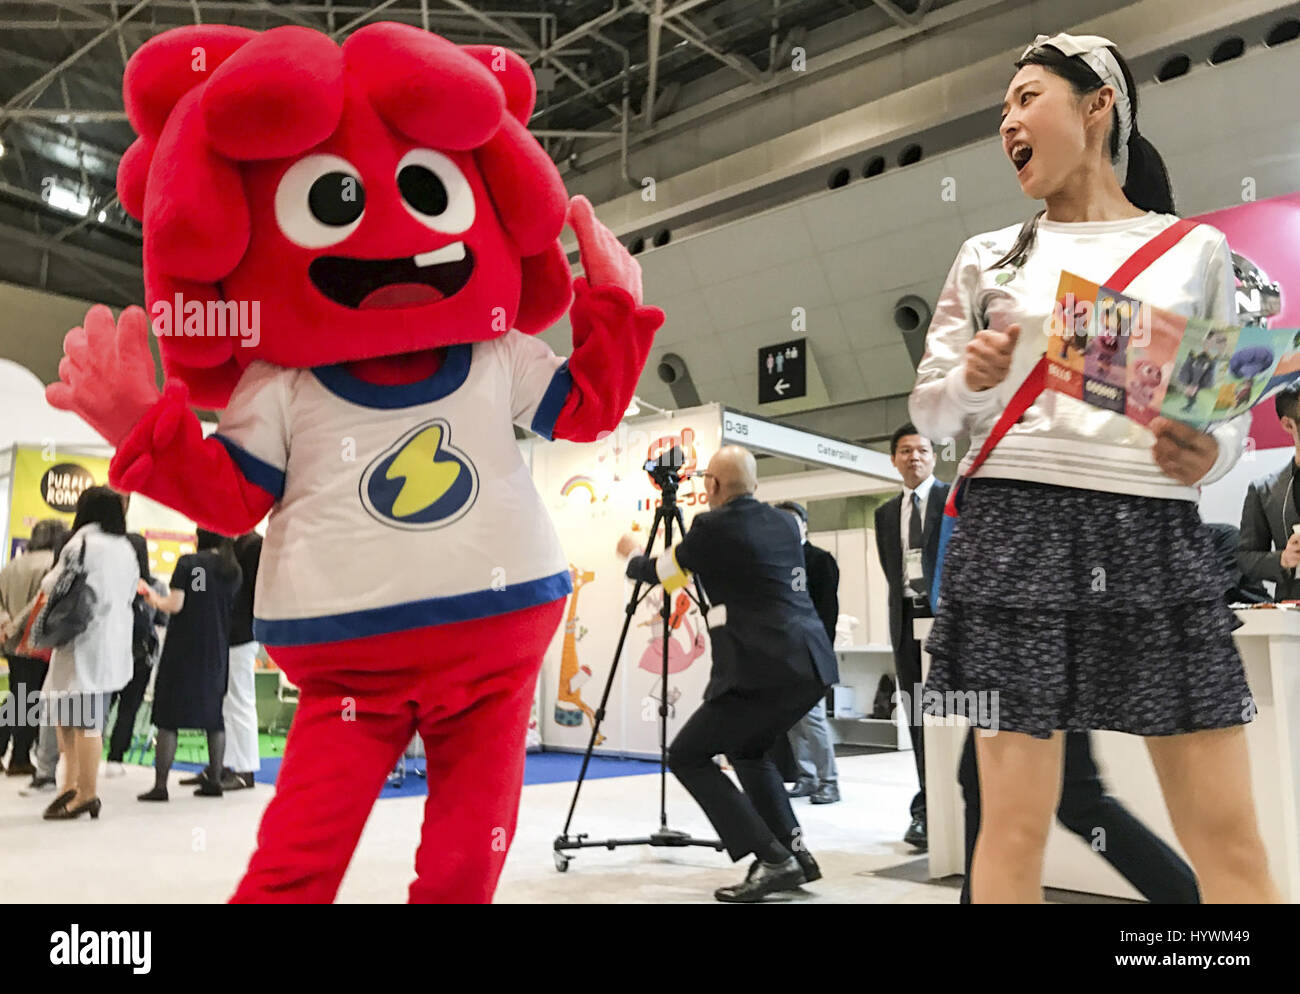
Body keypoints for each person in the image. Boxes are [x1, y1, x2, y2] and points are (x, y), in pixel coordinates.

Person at [909, 32, 1280, 902]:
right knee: (1008, 830)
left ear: (1098, 104)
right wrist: (970, 377)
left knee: (1229, 837)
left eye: (1026, 97)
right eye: (1004, 108)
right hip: (1008, 547)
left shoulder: (1195, 251)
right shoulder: (988, 255)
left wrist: (1208, 450)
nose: (1008, 121)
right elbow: (929, 414)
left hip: (1154, 538)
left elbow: (1225, 421)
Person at [616, 445, 839, 903]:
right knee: (748, 750)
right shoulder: (783, 522)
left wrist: (631, 554)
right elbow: (714, 570)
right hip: (810, 664)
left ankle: (773, 858)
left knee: (687, 755)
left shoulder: (711, 526)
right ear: (755, 485)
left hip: (760, 669)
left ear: (711, 486)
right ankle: (795, 854)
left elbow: (659, 572)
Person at [39, 487, 139, 821]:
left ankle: (84, 793)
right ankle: (73, 789)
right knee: (84, 719)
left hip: (80, 638)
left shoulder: (80, 543)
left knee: (77, 720)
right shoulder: (126, 548)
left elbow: (51, 585)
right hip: (110, 641)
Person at [872, 424, 948, 851]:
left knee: (954, 713)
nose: (913, 457)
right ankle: (927, 809)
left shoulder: (953, 499)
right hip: (906, 624)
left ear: (934, 456)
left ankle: (952, 805)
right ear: (893, 459)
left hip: (946, 623)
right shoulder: (885, 514)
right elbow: (892, 571)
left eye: (921, 450)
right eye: (904, 451)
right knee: (918, 716)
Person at [137, 529, 242, 801]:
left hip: (184, 649)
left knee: (168, 717)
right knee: (213, 718)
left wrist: (152, 598)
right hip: (217, 651)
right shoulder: (233, 569)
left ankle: (160, 786)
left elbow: (177, 604)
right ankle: (215, 781)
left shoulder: (191, 564)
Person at [773, 500, 841, 805]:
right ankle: (807, 776)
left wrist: (821, 651)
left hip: (811, 651)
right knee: (791, 718)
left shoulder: (819, 560)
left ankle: (830, 780)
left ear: (804, 526)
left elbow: (828, 611)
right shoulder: (773, 560)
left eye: (791, 522)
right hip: (782, 651)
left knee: (813, 718)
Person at [0, 519, 69, 777]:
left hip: (9, 642)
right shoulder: (53, 566)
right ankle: (19, 757)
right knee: (32, 700)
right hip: (37, 642)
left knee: (19, 696)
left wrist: (6, 623)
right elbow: (40, 603)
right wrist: (18, 625)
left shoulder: (12, 565)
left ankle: (5, 748)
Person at [104, 534, 167, 775]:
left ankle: (88, 753)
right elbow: (162, 619)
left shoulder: (110, 580)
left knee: (103, 704)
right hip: (141, 656)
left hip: (110, 652)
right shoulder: (154, 585)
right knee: (129, 709)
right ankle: (115, 759)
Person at [1238, 383, 1300, 601]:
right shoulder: (1265, 490)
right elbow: (1246, 558)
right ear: (1288, 424)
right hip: (1292, 616)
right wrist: (1283, 559)